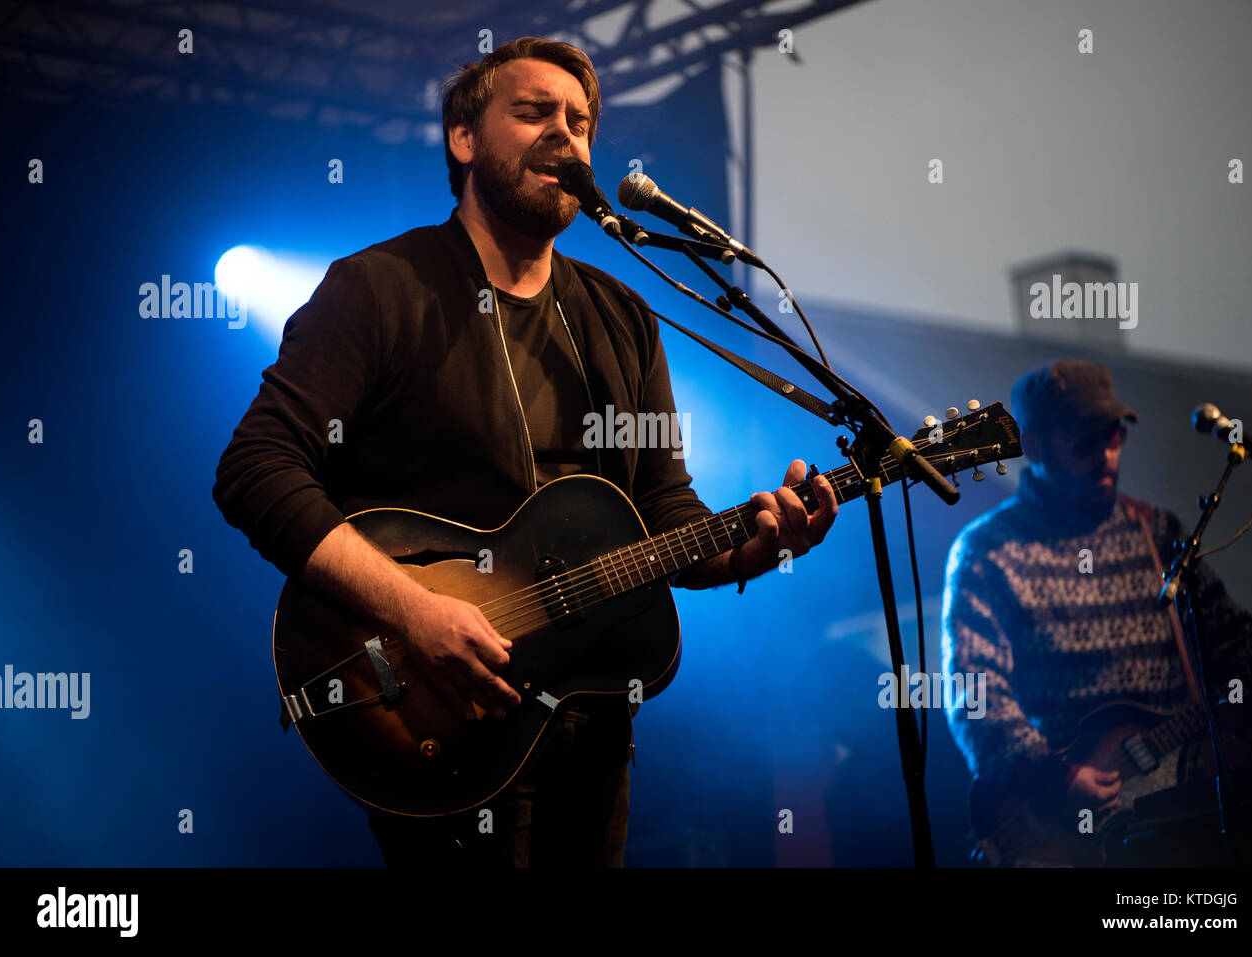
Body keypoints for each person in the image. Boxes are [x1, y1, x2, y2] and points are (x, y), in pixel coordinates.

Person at [212, 36, 838, 867]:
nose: (567, 136)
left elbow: (666, 516)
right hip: (433, 711)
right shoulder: (380, 289)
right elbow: (254, 469)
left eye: (581, 123)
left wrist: (757, 545)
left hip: (593, 728)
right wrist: (413, 610)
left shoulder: (622, 316)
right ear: (463, 138)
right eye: (535, 112)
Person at [941, 359, 1252, 863]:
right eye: (1083, 440)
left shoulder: (1157, 530)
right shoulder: (988, 552)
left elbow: (1241, 648)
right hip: (1057, 827)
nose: (1105, 454)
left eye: (1113, 435)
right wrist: (1054, 778)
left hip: (1181, 817)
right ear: (1034, 447)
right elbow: (975, 695)